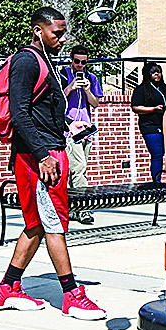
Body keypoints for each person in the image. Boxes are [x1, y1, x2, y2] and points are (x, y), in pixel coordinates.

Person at [0, 7, 106, 321]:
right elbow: (19, 113)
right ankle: (72, 295)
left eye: (63, 33)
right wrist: (43, 154)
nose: (62, 39)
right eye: (57, 33)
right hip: (39, 158)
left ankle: (6, 289)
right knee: (54, 224)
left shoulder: (45, 62)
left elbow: (43, 112)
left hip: (46, 152)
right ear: (38, 31)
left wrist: (68, 125)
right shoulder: (27, 62)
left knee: (37, 225)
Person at [60, 45, 104, 225]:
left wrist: (87, 90)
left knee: (77, 170)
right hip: (69, 130)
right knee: (79, 169)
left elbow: (95, 104)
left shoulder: (91, 78)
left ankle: (72, 209)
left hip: (86, 130)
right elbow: (57, 101)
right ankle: (84, 209)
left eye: (83, 62)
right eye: (76, 61)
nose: (80, 65)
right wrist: (70, 87)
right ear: (71, 58)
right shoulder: (63, 75)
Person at [130, 61, 166, 186]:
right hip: (150, 126)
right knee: (157, 153)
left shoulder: (164, 88)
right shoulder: (141, 90)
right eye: (153, 72)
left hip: (165, 125)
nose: (156, 75)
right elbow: (135, 107)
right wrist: (153, 109)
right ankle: (156, 182)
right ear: (147, 74)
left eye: (158, 72)